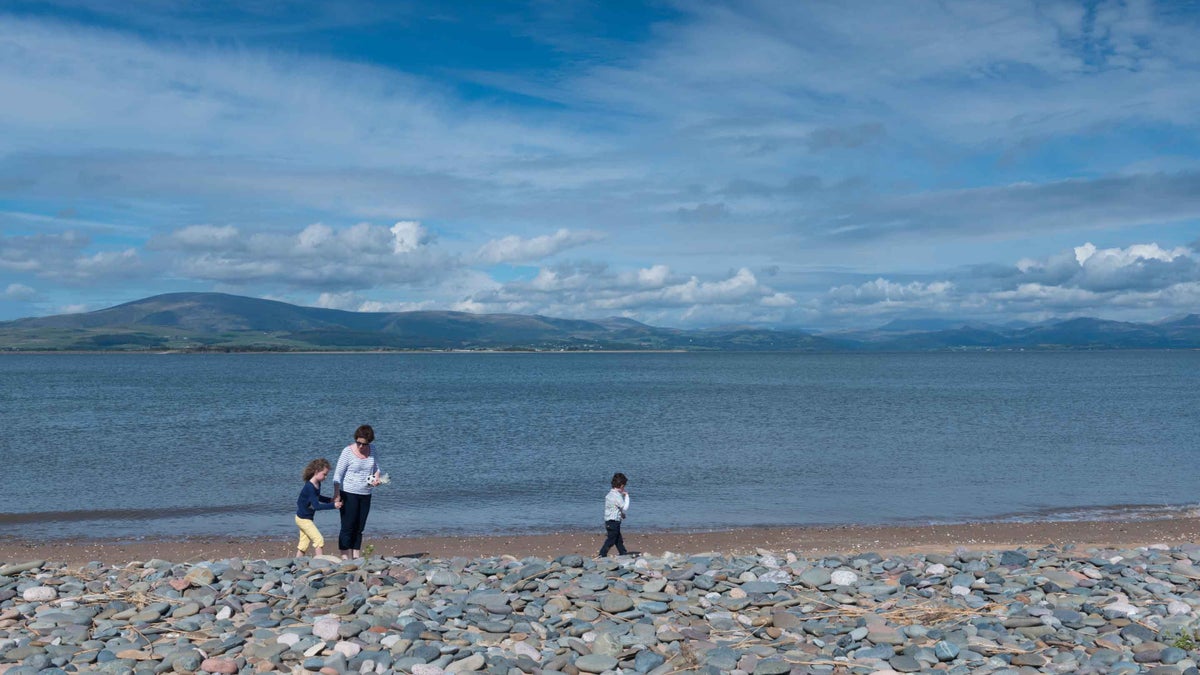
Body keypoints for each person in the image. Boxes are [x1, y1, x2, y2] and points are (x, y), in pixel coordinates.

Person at [332, 424, 382, 559]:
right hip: (348, 492)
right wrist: (337, 494)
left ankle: (356, 555)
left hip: (366, 493)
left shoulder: (373, 450)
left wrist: (377, 479)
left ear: (369, 442)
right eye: (358, 442)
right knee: (348, 525)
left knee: (360, 527)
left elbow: (377, 468)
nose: (360, 446)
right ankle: (344, 556)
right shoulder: (347, 452)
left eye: (364, 444)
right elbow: (337, 475)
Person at [295, 458, 337, 557]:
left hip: (304, 518)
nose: (326, 477)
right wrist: (333, 506)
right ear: (317, 472)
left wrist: (329, 500)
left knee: (303, 545)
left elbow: (317, 498)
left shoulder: (317, 483)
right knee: (319, 540)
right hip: (303, 519)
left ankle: (296, 563)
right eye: (324, 474)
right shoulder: (309, 487)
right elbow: (316, 506)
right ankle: (320, 562)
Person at [598, 472, 630, 557]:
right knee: (611, 539)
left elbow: (613, 508)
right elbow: (625, 507)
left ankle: (623, 552)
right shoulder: (617, 496)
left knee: (618, 539)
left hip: (609, 521)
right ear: (622, 486)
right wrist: (627, 496)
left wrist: (621, 514)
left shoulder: (609, 494)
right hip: (614, 522)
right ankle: (602, 553)